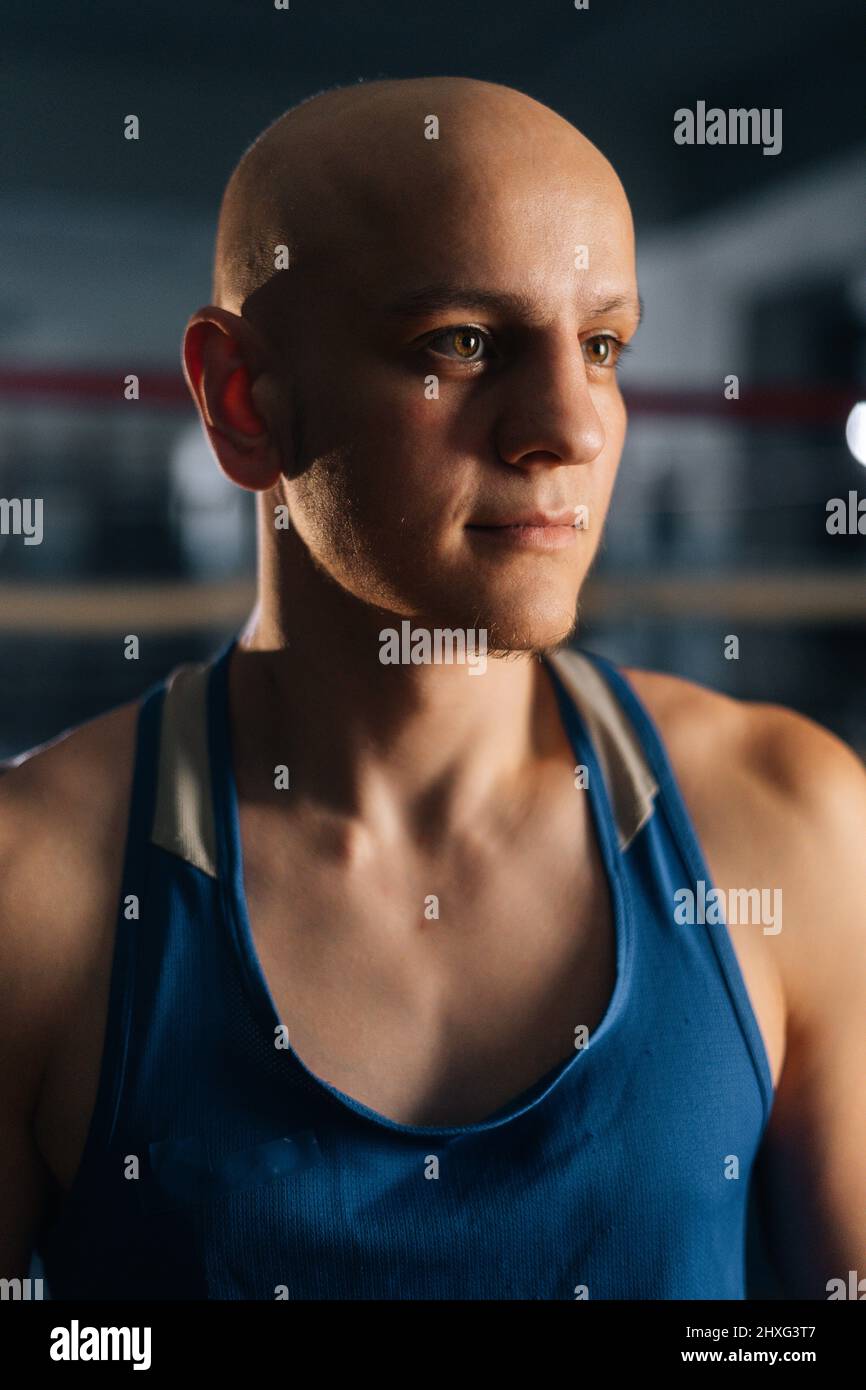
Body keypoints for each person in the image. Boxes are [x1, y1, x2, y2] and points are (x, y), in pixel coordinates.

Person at [1, 76, 863, 1301]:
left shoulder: (791, 820)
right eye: (458, 342)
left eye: (602, 345)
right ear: (245, 402)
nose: (570, 424)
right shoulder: (34, 892)